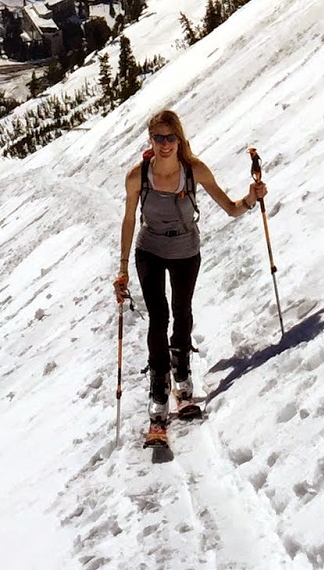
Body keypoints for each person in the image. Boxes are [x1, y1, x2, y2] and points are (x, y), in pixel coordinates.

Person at [116, 108, 266, 417]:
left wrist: (251, 198)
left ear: (179, 139)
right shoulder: (138, 176)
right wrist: (122, 269)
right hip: (150, 248)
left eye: (171, 137)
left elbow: (231, 207)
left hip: (185, 248)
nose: (165, 143)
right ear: (151, 139)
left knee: (182, 311)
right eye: (159, 137)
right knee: (159, 316)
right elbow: (129, 219)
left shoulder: (194, 170)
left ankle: (181, 374)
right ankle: (159, 389)